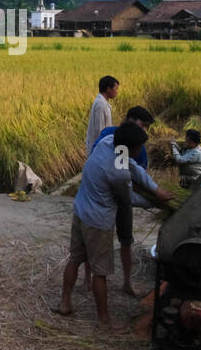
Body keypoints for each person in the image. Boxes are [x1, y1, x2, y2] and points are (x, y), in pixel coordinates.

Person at [56, 122, 173, 328]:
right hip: (98, 222)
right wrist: (156, 202)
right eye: (138, 148)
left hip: (80, 210)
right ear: (129, 148)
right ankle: (104, 320)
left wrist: (155, 189)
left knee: (75, 259)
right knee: (100, 272)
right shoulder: (117, 173)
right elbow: (128, 199)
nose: (140, 151)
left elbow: (134, 168)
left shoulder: (108, 142)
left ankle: (65, 303)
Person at [87, 105, 156, 295]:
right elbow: (98, 162)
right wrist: (153, 200)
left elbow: (138, 174)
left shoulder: (137, 147)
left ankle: (127, 282)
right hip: (104, 200)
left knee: (126, 240)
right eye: (143, 125)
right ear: (131, 119)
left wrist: (152, 193)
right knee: (94, 240)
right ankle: (87, 280)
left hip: (125, 198)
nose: (144, 131)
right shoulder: (109, 135)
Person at [85, 76, 119, 150]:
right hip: (99, 148)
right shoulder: (100, 104)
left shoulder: (102, 102)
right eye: (115, 89)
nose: (117, 92)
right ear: (108, 89)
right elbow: (99, 130)